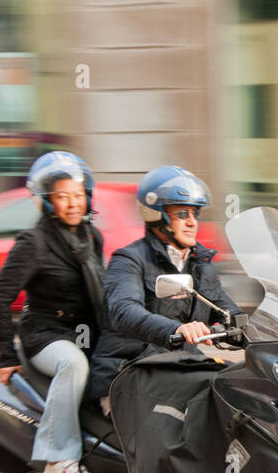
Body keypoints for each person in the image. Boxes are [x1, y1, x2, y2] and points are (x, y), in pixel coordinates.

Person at [0, 151, 105, 473]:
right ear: (48, 201)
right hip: (46, 334)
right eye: (63, 196)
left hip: (85, 331)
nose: (73, 203)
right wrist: (6, 355)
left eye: (78, 194)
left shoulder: (91, 237)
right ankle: (57, 459)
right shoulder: (33, 243)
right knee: (74, 366)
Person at [88, 165, 241, 411]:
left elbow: (226, 309)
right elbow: (124, 310)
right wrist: (178, 328)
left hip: (179, 367)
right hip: (128, 372)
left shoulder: (198, 263)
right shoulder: (129, 260)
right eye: (182, 214)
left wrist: (260, 332)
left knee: (238, 395)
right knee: (193, 419)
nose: (192, 222)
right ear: (155, 215)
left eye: (195, 213)